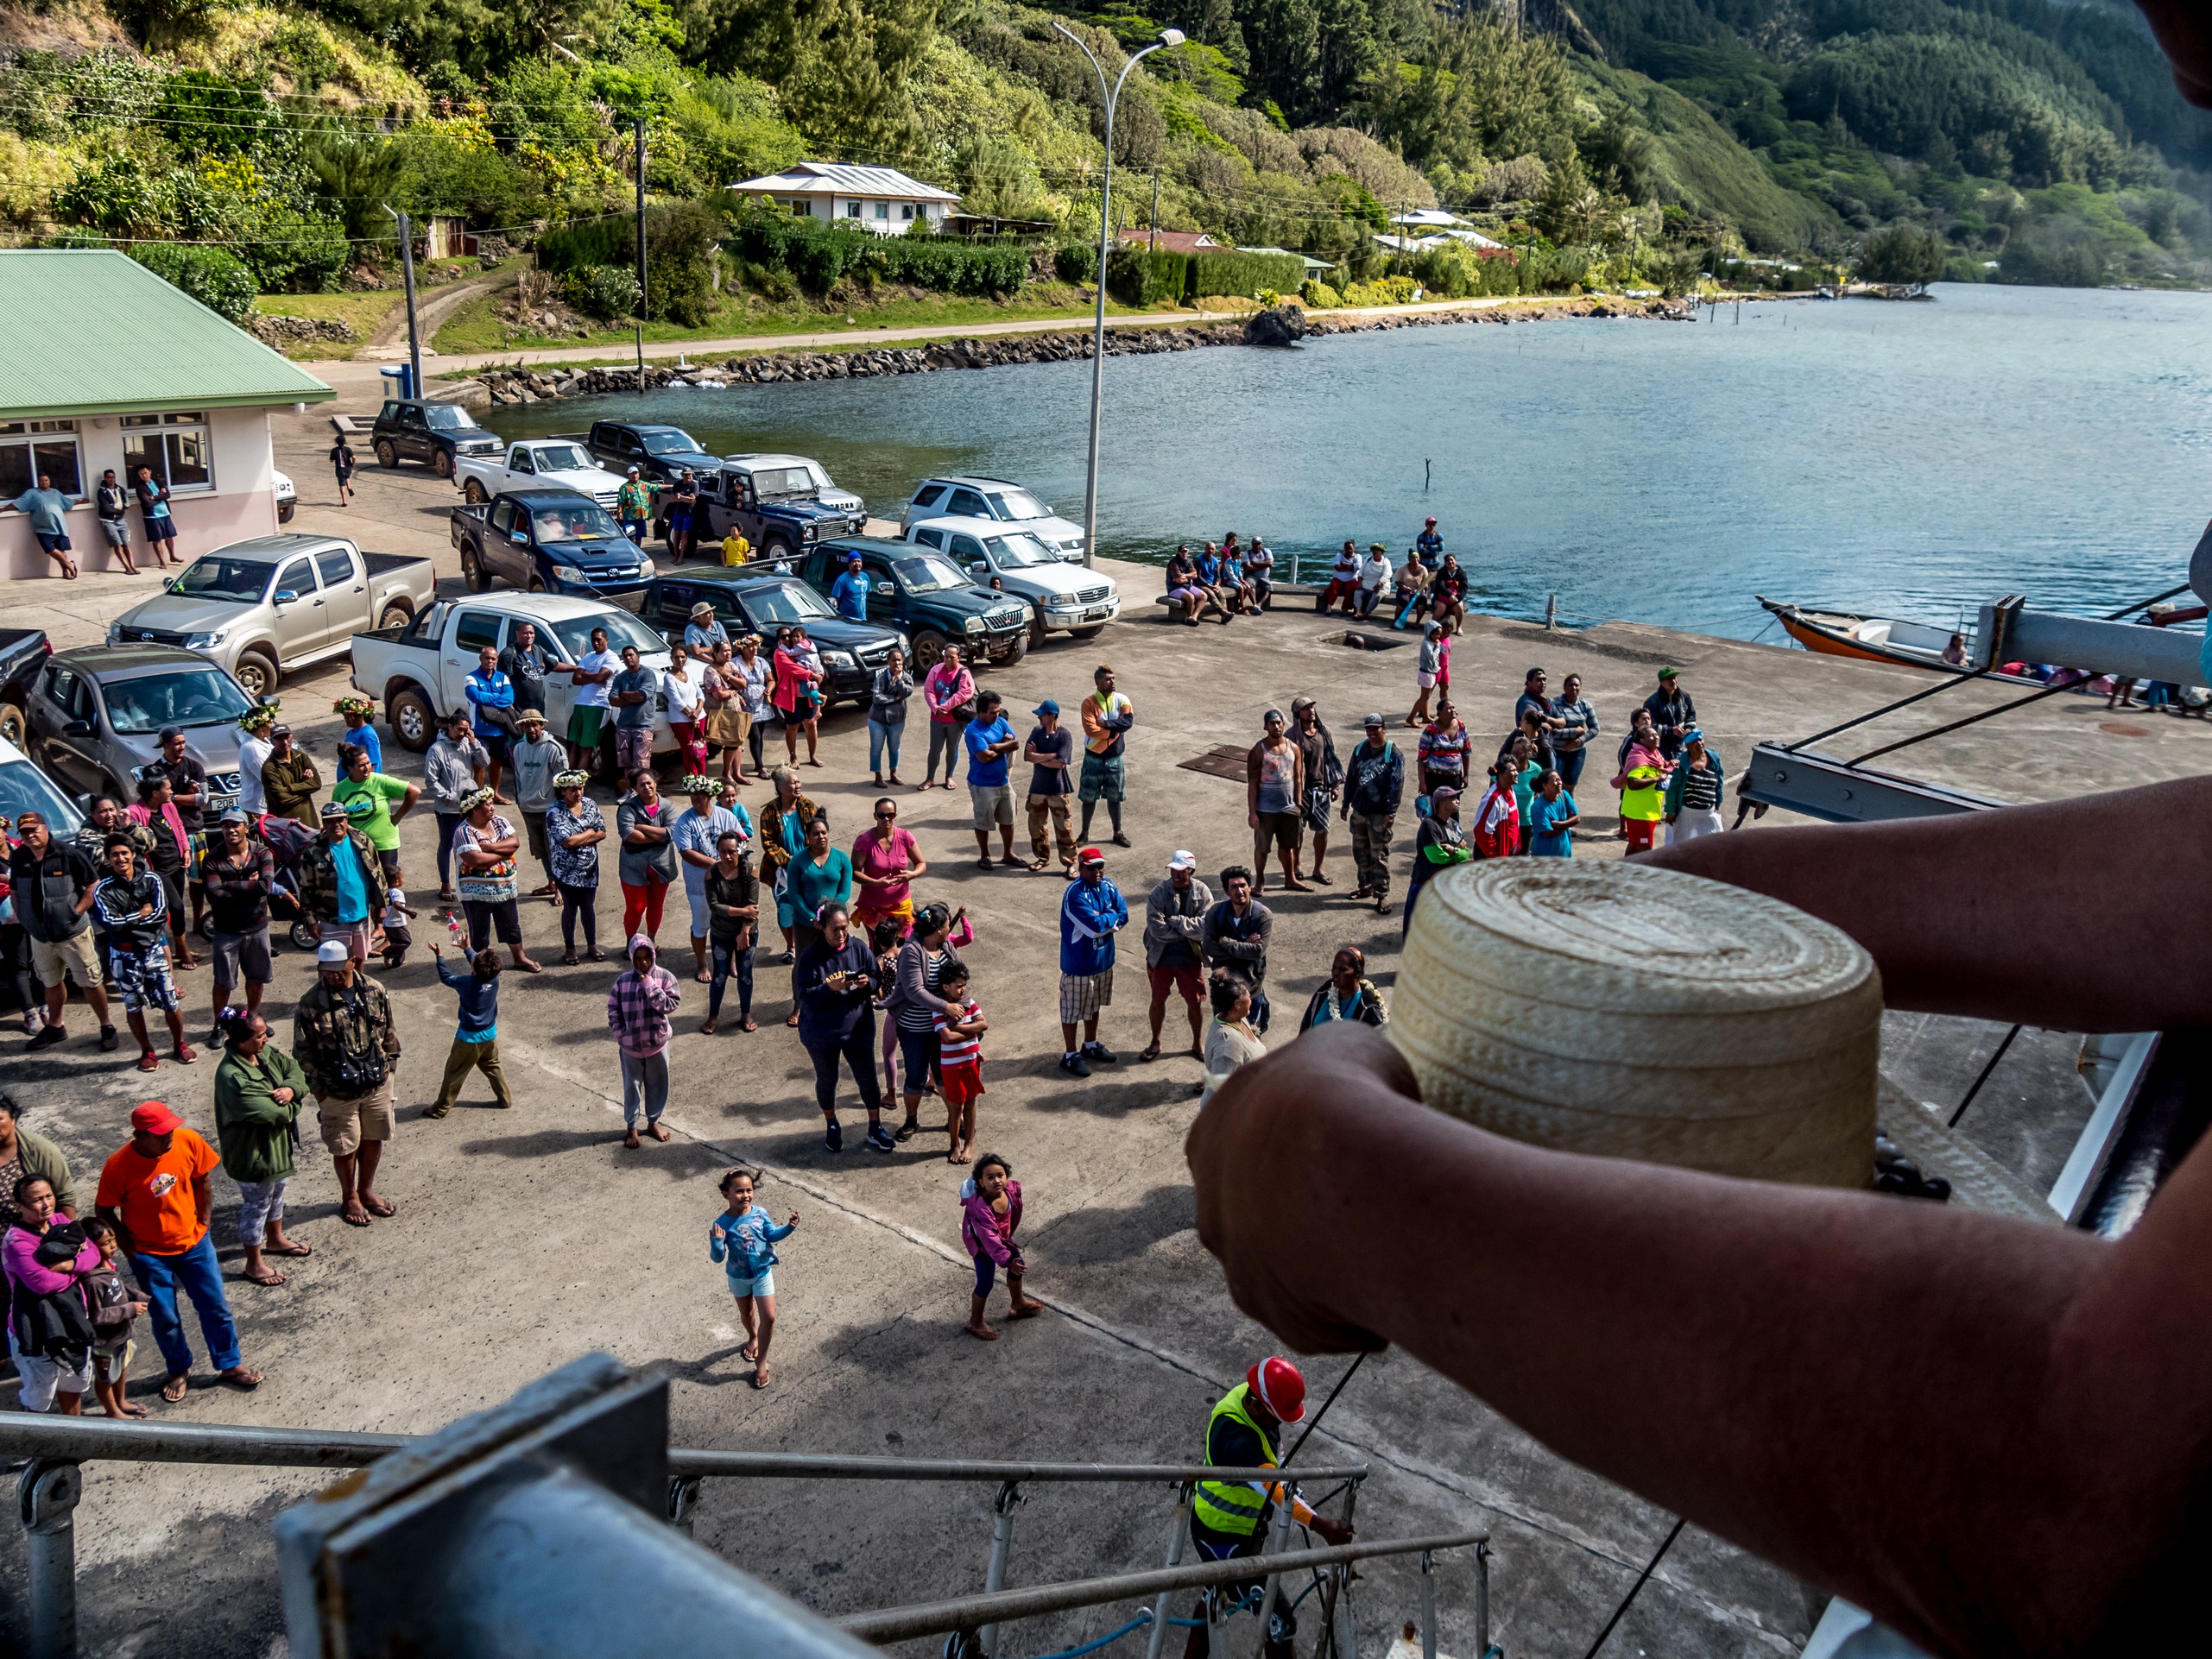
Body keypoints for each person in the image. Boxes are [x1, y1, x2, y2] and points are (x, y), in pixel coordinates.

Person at [1181, 1359, 1352, 1659]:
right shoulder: (1236, 1440)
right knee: (1280, 1622)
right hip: (1224, 1538)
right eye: (1277, 1419)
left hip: (1230, 1533)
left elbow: (1273, 1461)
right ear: (1257, 1406)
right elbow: (1274, 1488)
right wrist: (1321, 1525)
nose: (1279, 1426)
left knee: (1215, 1596)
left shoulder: (1251, 1400)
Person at [95, 1101, 260, 1400]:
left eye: (171, 1129)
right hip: (150, 1255)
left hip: (194, 1244)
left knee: (216, 1307)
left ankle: (229, 1364)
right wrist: (129, 1247)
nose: (169, 1136)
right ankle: (179, 1369)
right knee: (165, 1317)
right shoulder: (118, 1165)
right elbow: (103, 1210)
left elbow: (203, 1180)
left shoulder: (188, 1141)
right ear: (139, 1135)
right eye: (160, 1133)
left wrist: (204, 1223)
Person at [293, 939, 401, 1227]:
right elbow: (302, 1051)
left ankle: (366, 1190)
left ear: (352, 961)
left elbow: (389, 1031)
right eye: (326, 971)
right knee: (344, 1146)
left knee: (374, 1137)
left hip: (377, 1084)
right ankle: (349, 1195)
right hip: (337, 1091)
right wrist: (319, 1092)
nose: (332, 975)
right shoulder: (311, 1002)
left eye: (338, 969)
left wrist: (390, 1069)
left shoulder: (375, 990)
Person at [211, 1010, 310, 1287]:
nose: (266, 1038)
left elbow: (295, 1070)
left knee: (277, 1195)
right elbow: (272, 1114)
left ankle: (276, 1240)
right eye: (260, 1035)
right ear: (242, 1042)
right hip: (253, 1155)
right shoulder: (231, 1076)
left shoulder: (262, 1053)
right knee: (256, 1207)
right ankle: (253, 1264)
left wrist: (291, 1090)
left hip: (276, 1148)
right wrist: (296, 1103)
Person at [10, 811, 117, 1052]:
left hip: (73, 934)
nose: (29, 836)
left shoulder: (68, 854)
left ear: (45, 829)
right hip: (40, 936)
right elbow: (15, 890)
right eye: (24, 832)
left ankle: (106, 1026)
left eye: (33, 830)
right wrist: (23, 917)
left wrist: (76, 913)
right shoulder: (20, 858)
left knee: (90, 982)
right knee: (50, 982)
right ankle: (56, 1027)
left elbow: (93, 885)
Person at [96, 834, 194, 1072]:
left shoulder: (152, 879)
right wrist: (140, 914)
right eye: (114, 855)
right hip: (122, 956)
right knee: (132, 1005)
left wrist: (126, 920)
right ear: (109, 859)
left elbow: (160, 914)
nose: (120, 858)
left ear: (133, 855)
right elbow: (110, 923)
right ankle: (146, 1051)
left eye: (124, 853)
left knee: (170, 1002)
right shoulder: (102, 889)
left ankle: (179, 1044)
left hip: (152, 952)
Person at [795, 901, 887, 1152]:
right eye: (835, 929)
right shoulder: (811, 957)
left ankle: (875, 1126)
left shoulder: (858, 948)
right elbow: (804, 994)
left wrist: (867, 983)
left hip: (857, 1029)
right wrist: (829, 988)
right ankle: (832, 1123)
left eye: (844, 928)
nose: (841, 934)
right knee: (827, 1079)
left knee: (867, 1079)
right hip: (822, 1033)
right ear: (822, 928)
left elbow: (876, 979)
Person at [5, 1173, 99, 1413]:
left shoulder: (59, 1220)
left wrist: (70, 1265)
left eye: (49, 1196)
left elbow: (95, 1253)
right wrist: (79, 1263)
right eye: (37, 1200)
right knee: (40, 1396)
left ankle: (74, 1440)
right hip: (37, 1331)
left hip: (73, 1322)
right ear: (19, 1206)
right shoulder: (16, 1241)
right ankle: (36, 1445)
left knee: (73, 1384)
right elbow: (41, 1283)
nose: (46, 1204)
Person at [710, 1167, 795, 1388]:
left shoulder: (760, 1213)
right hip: (738, 1277)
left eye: (749, 1190)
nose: (746, 1195)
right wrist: (717, 1242)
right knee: (747, 1314)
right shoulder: (721, 1224)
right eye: (739, 1191)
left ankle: (761, 1362)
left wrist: (789, 1227)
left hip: (762, 1272)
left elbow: (771, 1234)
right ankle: (752, 1336)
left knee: (770, 1317)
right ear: (725, 1194)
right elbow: (718, 1258)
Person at [201, 809, 275, 1046]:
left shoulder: (262, 852)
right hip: (226, 931)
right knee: (223, 984)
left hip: (257, 928)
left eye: (236, 825)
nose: (230, 830)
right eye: (225, 826)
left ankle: (252, 1021)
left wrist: (230, 885)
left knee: (255, 979)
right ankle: (220, 1025)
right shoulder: (212, 858)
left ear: (246, 827)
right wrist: (247, 886)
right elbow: (215, 895)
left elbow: (265, 886)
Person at [1058, 847, 1128, 1077]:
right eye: (1091, 867)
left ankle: (1090, 1044)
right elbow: (1093, 929)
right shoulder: (1075, 894)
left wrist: (1105, 917)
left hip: (1103, 961)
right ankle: (1070, 1055)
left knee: (1094, 1004)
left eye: (1100, 866)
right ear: (1081, 868)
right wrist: (1110, 917)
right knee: (1072, 1011)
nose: (1097, 871)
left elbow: (1124, 914)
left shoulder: (1108, 885)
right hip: (1079, 965)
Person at [453, 786, 540, 971]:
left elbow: (514, 843)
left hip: (505, 889)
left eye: (492, 803)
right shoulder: (464, 831)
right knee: (480, 933)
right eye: (488, 804)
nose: (493, 807)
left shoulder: (500, 822)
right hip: (477, 895)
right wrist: (503, 854)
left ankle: (519, 958)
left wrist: (487, 848)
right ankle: (480, 968)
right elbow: (476, 860)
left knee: (511, 927)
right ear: (475, 808)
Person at [608, 932, 680, 1148]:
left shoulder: (665, 977)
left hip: (656, 1045)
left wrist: (649, 984)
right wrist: (621, 1034)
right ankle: (632, 1126)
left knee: (658, 1085)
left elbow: (670, 1005)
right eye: (638, 958)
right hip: (630, 1048)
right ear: (632, 958)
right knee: (632, 1087)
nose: (643, 962)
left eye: (646, 957)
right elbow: (613, 1009)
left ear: (653, 955)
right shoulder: (622, 982)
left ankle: (653, 1122)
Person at [672, 775, 748, 982]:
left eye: (701, 793)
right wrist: (717, 865)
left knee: (731, 923)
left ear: (709, 795)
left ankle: (731, 961)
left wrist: (732, 863)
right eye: (692, 793)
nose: (696, 797)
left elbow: (742, 841)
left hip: (730, 883)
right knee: (701, 925)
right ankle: (702, 963)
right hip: (699, 886)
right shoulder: (685, 821)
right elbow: (686, 852)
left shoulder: (726, 816)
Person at [427, 943, 515, 1116]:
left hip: (468, 1039)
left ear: (473, 970)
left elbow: (446, 977)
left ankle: (440, 1109)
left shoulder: (465, 982)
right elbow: (479, 964)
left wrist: (440, 956)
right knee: (492, 1065)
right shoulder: (494, 979)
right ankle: (505, 1099)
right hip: (489, 1034)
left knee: (454, 1073)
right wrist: (467, 949)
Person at [961, 1152, 1042, 1340]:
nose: (996, 1180)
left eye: (1000, 1175)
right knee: (985, 1283)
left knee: (1017, 1267)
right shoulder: (980, 1207)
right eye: (990, 1177)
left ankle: (1018, 1303)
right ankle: (975, 1321)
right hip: (983, 1247)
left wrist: (1010, 1257)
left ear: (1007, 1177)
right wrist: (1007, 1260)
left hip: (1002, 1241)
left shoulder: (1011, 1192)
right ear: (981, 1182)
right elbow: (989, 1239)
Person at [781, 813, 852, 1022]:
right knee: (803, 962)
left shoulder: (841, 859)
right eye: (815, 834)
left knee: (837, 960)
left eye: (824, 832)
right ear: (808, 837)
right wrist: (814, 917)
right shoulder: (797, 861)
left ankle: (837, 997)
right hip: (806, 923)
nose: (821, 837)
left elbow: (844, 892)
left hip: (835, 924)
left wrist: (828, 917)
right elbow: (794, 894)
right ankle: (799, 1003)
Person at [1142, 850, 1211, 1062]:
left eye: (1181, 871)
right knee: (1157, 1000)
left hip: (1189, 959)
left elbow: (1204, 928)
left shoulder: (1203, 891)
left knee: (1195, 1002)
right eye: (1173, 869)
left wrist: (1176, 921)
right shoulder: (1158, 892)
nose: (1176, 875)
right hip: (1160, 958)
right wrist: (1185, 930)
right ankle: (1155, 1041)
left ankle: (1197, 1043)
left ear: (1191, 871)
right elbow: (1156, 930)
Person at [300, 800, 387, 964]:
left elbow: (378, 873)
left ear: (347, 820)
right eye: (330, 821)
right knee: (332, 964)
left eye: (340, 819)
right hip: (331, 918)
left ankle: (356, 989)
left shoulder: (362, 840)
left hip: (361, 913)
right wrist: (310, 921)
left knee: (360, 959)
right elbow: (305, 888)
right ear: (323, 823)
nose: (336, 824)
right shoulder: (313, 849)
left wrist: (381, 905)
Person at [80, 1218, 146, 1417]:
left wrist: (139, 1296)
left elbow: (119, 1288)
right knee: (105, 1376)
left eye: (114, 1239)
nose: (113, 1245)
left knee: (121, 1366)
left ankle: (121, 1401)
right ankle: (112, 1410)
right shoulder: (92, 1280)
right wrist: (129, 1309)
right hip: (105, 1339)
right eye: (106, 1243)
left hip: (120, 1333)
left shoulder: (108, 1265)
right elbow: (97, 1315)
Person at [1339, 714, 1402, 914]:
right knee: (1360, 853)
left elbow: (1397, 786)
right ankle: (1364, 887)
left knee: (1379, 856)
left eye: (1376, 728)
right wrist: (1345, 803)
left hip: (1379, 815)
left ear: (1384, 729)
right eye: (1369, 729)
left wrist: (1390, 813)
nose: (1372, 733)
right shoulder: (1360, 750)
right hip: (1360, 812)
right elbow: (1351, 778)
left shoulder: (1393, 754)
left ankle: (1381, 895)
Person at [423, 711, 487, 903]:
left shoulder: (468, 743)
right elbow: (431, 781)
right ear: (449, 727)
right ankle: (445, 884)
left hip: (470, 806)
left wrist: (475, 743)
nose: (463, 733)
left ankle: (473, 879)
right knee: (448, 845)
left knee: (473, 844)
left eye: (466, 730)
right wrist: (450, 797)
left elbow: (485, 762)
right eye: (460, 729)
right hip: (448, 809)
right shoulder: (437, 750)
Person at [700, 831, 760, 1036]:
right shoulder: (711, 874)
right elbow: (714, 906)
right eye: (723, 852)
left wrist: (745, 931)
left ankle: (746, 1013)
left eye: (732, 852)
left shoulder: (750, 871)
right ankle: (713, 1015)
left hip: (747, 932)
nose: (727, 856)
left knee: (745, 975)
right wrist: (742, 911)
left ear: (739, 851)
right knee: (719, 976)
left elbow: (753, 907)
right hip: (721, 932)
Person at [1203, 866, 1274, 1033]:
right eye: (1234, 887)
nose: (1240, 890)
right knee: (1224, 1033)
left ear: (1250, 887)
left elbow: (1257, 951)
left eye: (1243, 885)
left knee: (1251, 1034)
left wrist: (1225, 942)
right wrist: (1243, 946)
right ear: (1226, 891)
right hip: (1223, 988)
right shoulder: (1215, 912)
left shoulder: (1262, 915)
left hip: (1251, 986)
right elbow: (1208, 947)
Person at [546, 769, 607, 964]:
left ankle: (591, 945)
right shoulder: (554, 812)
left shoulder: (590, 805)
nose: (578, 792)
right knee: (570, 909)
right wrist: (590, 831)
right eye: (573, 789)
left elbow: (602, 832)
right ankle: (570, 948)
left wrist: (584, 836)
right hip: (566, 872)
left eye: (580, 788)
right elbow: (567, 842)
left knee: (588, 908)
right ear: (563, 791)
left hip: (589, 868)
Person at [759, 768, 820, 961]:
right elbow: (768, 843)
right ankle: (791, 945)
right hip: (780, 872)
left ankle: (810, 943)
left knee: (809, 906)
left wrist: (808, 861)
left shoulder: (808, 806)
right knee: (785, 910)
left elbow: (818, 835)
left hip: (808, 868)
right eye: (792, 783)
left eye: (798, 782)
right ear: (780, 787)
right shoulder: (769, 812)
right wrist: (790, 863)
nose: (797, 785)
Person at [1243, 709, 1306, 895]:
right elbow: (1252, 784)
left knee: (1288, 847)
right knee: (1262, 848)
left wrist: (1299, 804)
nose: (1276, 726)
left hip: (1289, 808)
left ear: (1284, 725)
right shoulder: (1258, 751)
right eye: (1272, 723)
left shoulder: (1293, 748)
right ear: (1265, 726)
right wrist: (1252, 812)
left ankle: (1290, 879)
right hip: (1266, 810)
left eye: (1279, 723)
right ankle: (1260, 881)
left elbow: (1298, 778)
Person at [508, 710, 567, 900]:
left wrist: (560, 810)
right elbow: (517, 778)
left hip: (549, 808)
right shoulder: (518, 749)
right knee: (539, 849)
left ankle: (561, 887)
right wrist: (520, 800)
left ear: (542, 726)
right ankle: (551, 882)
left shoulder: (553, 748)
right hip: (527, 807)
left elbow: (564, 781)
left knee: (554, 849)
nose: (531, 729)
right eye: (527, 725)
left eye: (535, 724)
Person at [933, 957, 986, 1164]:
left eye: (964, 986)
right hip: (952, 1067)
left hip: (972, 1062)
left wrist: (960, 1029)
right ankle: (954, 1144)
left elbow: (984, 1025)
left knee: (971, 1102)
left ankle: (969, 1144)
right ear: (946, 987)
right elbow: (947, 1037)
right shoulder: (940, 1009)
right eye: (959, 986)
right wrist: (972, 1032)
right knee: (956, 1107)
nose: (963, 990)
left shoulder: (969, 1004)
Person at [617, 768, 679, 941]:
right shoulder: (627, 808)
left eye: (649, 783)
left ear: (656, 784)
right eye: (641, 785)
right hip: (633, 866)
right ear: (635, 789)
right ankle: (631, 942)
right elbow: (628, 834)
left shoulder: (667, 806)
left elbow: (672, 832)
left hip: (662, 866)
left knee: (656, 905)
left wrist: (642, 827)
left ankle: (651, 940)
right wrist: (660, 836)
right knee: (636, 907)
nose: (646, 787)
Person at [964, 690, 1021, 868]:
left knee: (1008, 819)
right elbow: (984, 757)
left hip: (1003, 781)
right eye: (992, 712)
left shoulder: (1001, 722)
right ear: (980, 712)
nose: (997, 715)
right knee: (983, 822)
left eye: (998, 711)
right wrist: (1005, 746)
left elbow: (1016, 744)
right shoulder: (973, 731)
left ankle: (1008, 853)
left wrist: (996, 746)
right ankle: (984, 855)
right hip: (982, 785)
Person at [852, 796, 924, 937]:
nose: (886, 819)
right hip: (874, 907)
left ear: (895, 816)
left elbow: (921, 863)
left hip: (902, 906)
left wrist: (912, 874)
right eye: (882, 815)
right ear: (875, 816)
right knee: (879, 949)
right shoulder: (864, 841)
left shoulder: (905, 837)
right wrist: (876, 883)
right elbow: (854, 872)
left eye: (890, 815)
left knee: (905, 947)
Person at [1405, 785, 1472, 935]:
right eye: (1453, 798)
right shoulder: (1429, 825)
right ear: (1442, 803)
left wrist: (1452, 849)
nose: (1457, 801)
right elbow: (1435, 856)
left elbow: (1466, 855)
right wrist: (1457, 850)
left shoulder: (1455, 825)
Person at [1079, 665, 1134, 847]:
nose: (1112, 682)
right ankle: (1084, 833)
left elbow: (1127, 722)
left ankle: (1117, 832)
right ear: (1098, 682)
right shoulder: (1088, 703)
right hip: (1093, 757)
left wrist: (1105, 723)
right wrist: (1112, 732)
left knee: (1115, 798)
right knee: (1089, 798)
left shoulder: (1123, 700)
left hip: (1114, 758)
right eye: (1108, 679)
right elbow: (1090, 729)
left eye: (1113, 678)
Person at [0, 1094, 77, 1222]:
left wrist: (66, 1236)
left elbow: (64, 1198)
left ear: (13, 1118)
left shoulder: (41, 1151)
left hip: (34, 1237)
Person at [1022, 698, 1078, 874]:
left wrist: (1038, 755)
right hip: (1038, 788)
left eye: (1042, 715)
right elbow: (1027, 756)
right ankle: (1042, 857)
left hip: (1057, 789)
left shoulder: (1064, 735)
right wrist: (1049, 756)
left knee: (1064, 828)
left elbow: (1060, 764)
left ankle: (1069, 863)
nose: (1039, 718)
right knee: (1036, 826)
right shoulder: (1037, 731)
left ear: (1052, 716)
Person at [1292, 699, 1342, 885]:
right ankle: (1296, 865)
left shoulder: (1323, 732)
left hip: (1321, 790)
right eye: (1305, 709)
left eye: (1312, 707)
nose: (1311, 711)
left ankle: (1318, 868)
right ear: (1297, 714)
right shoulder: (1292, 736)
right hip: (1300, 791)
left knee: (1322, 830)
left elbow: (1331, 759)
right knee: (1298, 831)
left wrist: (1334, 785)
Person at [465, 644, 517, 802]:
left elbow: (509, 698)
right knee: (479, 764)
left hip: (500, 729)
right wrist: (497, 697)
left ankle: (494, 793)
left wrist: (488, 699)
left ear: (497, 660)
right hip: (479, 729)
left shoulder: (503, 677)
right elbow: (476, 697)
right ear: (480, 658)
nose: (490, 661)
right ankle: (479, 796)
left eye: (493, 659)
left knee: (497, 762)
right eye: (487, 658)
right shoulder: (470, 678)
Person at [1613, 710, 1671, 852]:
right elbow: (1632, 783)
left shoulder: (1654, 754)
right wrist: (1657, 778)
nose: (1656, 737)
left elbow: (1662, 766)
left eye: (1656, 734)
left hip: (1648, 811)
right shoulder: (1639, 759)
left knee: (1634, 844)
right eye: (1651, 736)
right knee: (1645, 848)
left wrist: (1671, 764)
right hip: (1640, 813)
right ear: (1642, 741)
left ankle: (1625, 872)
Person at [921, 643, 975, 790]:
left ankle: (949, 777)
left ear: (959, 658)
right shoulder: (935, 670)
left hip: (955, 720)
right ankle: (929, 778)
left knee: (952, 748)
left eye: (952, 657)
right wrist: (935, 707)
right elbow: (928, 691)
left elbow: (965, 693)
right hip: (937, 718)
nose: (949, 660)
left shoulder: (964, 673)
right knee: (934, 749)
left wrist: (945, 707)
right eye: (946, 656)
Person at [1297, 945, 1387, 1031]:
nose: (1335, 973)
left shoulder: (1368, 1008)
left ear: (1357, 973)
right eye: (1334, 967)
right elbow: (1305, 1028)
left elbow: (1376, 1044)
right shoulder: (1324, 991)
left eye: (1343, 969)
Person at [1203, 972, 1266, 1093]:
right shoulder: (1228, 1048)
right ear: (1237, 1004)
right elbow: (1221, 1092)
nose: (1251, 1001)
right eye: (1248, 997)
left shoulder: (1235, 1018)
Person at [11, 470, 80, 578]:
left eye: (46, 480)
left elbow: (68, 502)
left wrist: (81, 501)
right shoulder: (32, 493)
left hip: (60, 526)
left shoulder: (55, 493)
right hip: (44, 528)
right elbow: (20, 503)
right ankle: (69, 564)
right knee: (49, 548)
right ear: (38, 482)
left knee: (61, 550)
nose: (44, 482)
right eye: (42, 481)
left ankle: (66, 572)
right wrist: (4, 509)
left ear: (50, 481)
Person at [567, 626, 618, 773]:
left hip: (599, 705)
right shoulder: (588, 656)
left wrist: (587, 674)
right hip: (581, 704)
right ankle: (568, 778)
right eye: (593, 640)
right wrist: (594, 676)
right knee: (574, 744)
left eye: (599, 640)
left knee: (586, 747)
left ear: (606, 640)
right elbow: (575, 679)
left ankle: (578, 781)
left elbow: (601, 677)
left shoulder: (611, 657)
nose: (596, 643)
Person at [1662, 732, 1725, 845]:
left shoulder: (1713, 758)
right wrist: (1671, 811)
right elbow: (1673, 789)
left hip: (1708, 814)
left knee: (1711, 847)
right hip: (1687, 815)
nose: (1699, 743)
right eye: (1695, 742)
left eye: (1700, 740)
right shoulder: (1681, 763)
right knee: (1679, 847)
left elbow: (1719, 782)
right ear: (1687, 746)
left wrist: (1718, 800)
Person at [608, 644, 660, 779]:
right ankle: (630, 792)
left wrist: (623, 694)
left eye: (631, 655)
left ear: (638, 656)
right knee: (626, 763)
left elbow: (641, 696)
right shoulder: (620, 677)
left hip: (643, 726)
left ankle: (640, 794)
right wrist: (630, 698)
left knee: (641, 764)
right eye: (625, 656)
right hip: (623, 726)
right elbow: (612, 699)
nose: (628, 658)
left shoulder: (647, 674)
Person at [866, 645, 913, 785]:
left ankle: (893, 774)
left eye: (899, 661)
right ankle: (878, 776)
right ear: (888, 662)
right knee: (876, 748)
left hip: (897, 720)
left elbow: (906, 693)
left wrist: (899, 681)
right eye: (894, 660)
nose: (897, 663)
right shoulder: (881, 677)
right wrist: (894, 698)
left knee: (894, 748)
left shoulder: (906, 678)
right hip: (877, 720)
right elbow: (877, 698)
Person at [261, 724, 321, 826]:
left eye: (286, 737)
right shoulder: (269, 768)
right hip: (285, 828)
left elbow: (317, 783)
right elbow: (282, 799)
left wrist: (289, 788)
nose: (284, 742)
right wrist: (306, 788)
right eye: (279, 739)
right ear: (272, 742)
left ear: (292, 737)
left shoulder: (301, 757)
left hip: (310, 823)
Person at [665, 641, 709, 776]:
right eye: (677, 657)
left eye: (683, 657)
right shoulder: (669, 677)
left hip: (699, 717)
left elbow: (700, 694)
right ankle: (694, 782)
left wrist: (697, 712)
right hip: (681, 720)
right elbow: (676, 700)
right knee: (688, 750)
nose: (680, 660)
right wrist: (691, 715)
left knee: (700, 749)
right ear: (672, 659)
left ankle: (703, 779)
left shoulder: (689, 674)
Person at [501, 621, 552, 735]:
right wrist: (510, 706)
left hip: (538, 708)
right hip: (519, 708)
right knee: (519, 739)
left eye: (531, 633)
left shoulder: (538, 650)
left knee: (537, 737)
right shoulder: (509, 653)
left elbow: (554, 665)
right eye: (525, 633)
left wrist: (576, 668)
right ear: (517, 634)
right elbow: (503, 682)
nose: (529, 636)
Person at [1552, 673, 1597, 794]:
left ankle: (1569, 811)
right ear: (1564, 687)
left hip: (1577, 753)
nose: (1573, 688)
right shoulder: (1554, 704)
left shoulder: (1585, 705)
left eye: (1577, 685)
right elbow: (1552, 731)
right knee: (1555, 784)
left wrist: (1578, 742)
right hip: (1557, 751)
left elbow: (1595, 729)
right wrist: (1575, 731)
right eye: (1570, 685)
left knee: (1570, 786)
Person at [1417, 699, 1469, 801]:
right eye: (1449, 708)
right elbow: (1422, 759)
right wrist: (1422, 782)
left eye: (1453, 707)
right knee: (1435, 810)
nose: (1453, 710)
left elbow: (1466, 752)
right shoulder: (1431, 730)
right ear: (1439, 713)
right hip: (1434, 779)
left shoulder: (1461, 727)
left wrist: (1466, 774)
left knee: (1453, 809)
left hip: (1455, 778)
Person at [1643, 666, 1697, 761]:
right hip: (1661, 750)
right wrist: (1671, 730)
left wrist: (1689, 729)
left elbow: (1691, 715)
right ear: (1661, 682)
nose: (1673, 681)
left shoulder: (1685, 697)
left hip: (1680, 748)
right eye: (1669, 679)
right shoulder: (1652, 702)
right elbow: (1648, 727)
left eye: (1674, 678)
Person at [133, 464, 179, 568]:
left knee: (169, 536)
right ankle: (162, 561)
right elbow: (146, 503)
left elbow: (167, 495)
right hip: (152, 516)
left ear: (150, 472)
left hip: (165, 513)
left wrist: (154, 497)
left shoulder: (157, 481)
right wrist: (160, 497)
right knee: (156, 539)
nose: (143, 475)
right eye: (141, 474)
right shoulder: (140, 487)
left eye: (145, 473)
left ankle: (172, 556)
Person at [92, 468, 137, 574]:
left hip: (121, 521)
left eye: (113, 477)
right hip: (108, 522)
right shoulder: (102, 491)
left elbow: (127, 504)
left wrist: (117, 508)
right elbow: (105, 508)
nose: (111, 480)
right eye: (109, 478)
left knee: (126, 544)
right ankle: (127, 568)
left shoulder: (120, 489)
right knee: (117, 545)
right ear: (105, 478)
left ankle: (133, 566)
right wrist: (118, 508)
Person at [1527, 767, 1580, 856]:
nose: (1559, 783)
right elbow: (1548, 832)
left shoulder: (1564, 795)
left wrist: (1560, 824)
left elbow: (1577, 818)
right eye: (1555, 780)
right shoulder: (1538, 807)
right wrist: (1568, 824)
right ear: (1545, 785)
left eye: (1559, 779)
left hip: (1565, 855)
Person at [334, 695, 383, 772]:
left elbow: (373, 764)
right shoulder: (351, 732)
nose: (345, 719)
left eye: (349, 716)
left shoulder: (367, 735)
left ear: (358, 716)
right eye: (345, 716)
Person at [1319, 539, 1360, 615]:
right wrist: (1351, 568)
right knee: (1333, 586)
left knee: (1351, 589)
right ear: (1344, 549)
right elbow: (1337, 567)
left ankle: (1345, 608)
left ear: (1354, 548)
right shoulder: (1339, 555)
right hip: (1338, 578)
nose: (1350, 550)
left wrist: (1343, 564)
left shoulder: (1358, 557)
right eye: (1348, 548)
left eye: (1351, 548)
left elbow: (1358, 567)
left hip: (1351, 579)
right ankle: (1329, 606)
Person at [667, 471, 699, 563]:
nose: (688, 476)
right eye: (686, 474)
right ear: (682, 475)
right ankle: (675, 556)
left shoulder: (694, 485)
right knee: (676, 534)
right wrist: (685, 498)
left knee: (684, 535)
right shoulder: (677, 484)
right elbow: (672, 498)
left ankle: (681, 557)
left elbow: (692, 500)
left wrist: (680, 497)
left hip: (688, 513)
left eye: (690, 474)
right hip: (677, 512)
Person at [616, 465, 654, 543]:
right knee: (631, 536)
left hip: (641, 516)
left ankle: (638, 552)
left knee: (639, 537)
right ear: (629, 475)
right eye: (632, 474)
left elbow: (657, 487)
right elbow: (621, 501)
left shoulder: (644, 485)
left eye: (636, 473)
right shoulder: (625, 487)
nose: (634, 475)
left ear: (639, 474)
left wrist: (673, 486)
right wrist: (619, 512)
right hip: (629, 518)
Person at [830, 552, 872, 620]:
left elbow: (866, 593)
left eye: (859, 561)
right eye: (854, 561)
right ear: (849, 564)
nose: (857, 563)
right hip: (848, 620)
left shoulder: (865, 577)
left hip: (862, 619)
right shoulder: (843, 580)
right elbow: (835, 600)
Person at [1354, 542, 1392, 618]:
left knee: (1376, 596)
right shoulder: (1368, 559)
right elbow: (1361, 572)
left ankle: (1365, 614)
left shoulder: (1386, 561)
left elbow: (1387, 574)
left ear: (1381, 552)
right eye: (1374, 550)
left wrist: (1379, 584)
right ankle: (1358, 611)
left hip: (1380, 587)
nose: (1375, 551)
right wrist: (1360, 583)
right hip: (1366, 585)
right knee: (1357, 593)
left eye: (1377, 550)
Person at [329, 434, 357, 506]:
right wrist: (353, 464)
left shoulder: (334, 450)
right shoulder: (348, 449)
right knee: (347, 477)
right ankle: (349, 487)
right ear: (345, 442)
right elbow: (354, 457)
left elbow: (331, 460)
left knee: (342, 485)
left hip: (340, 470)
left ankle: (344, 501)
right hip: (348, 468)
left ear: (336, 442)